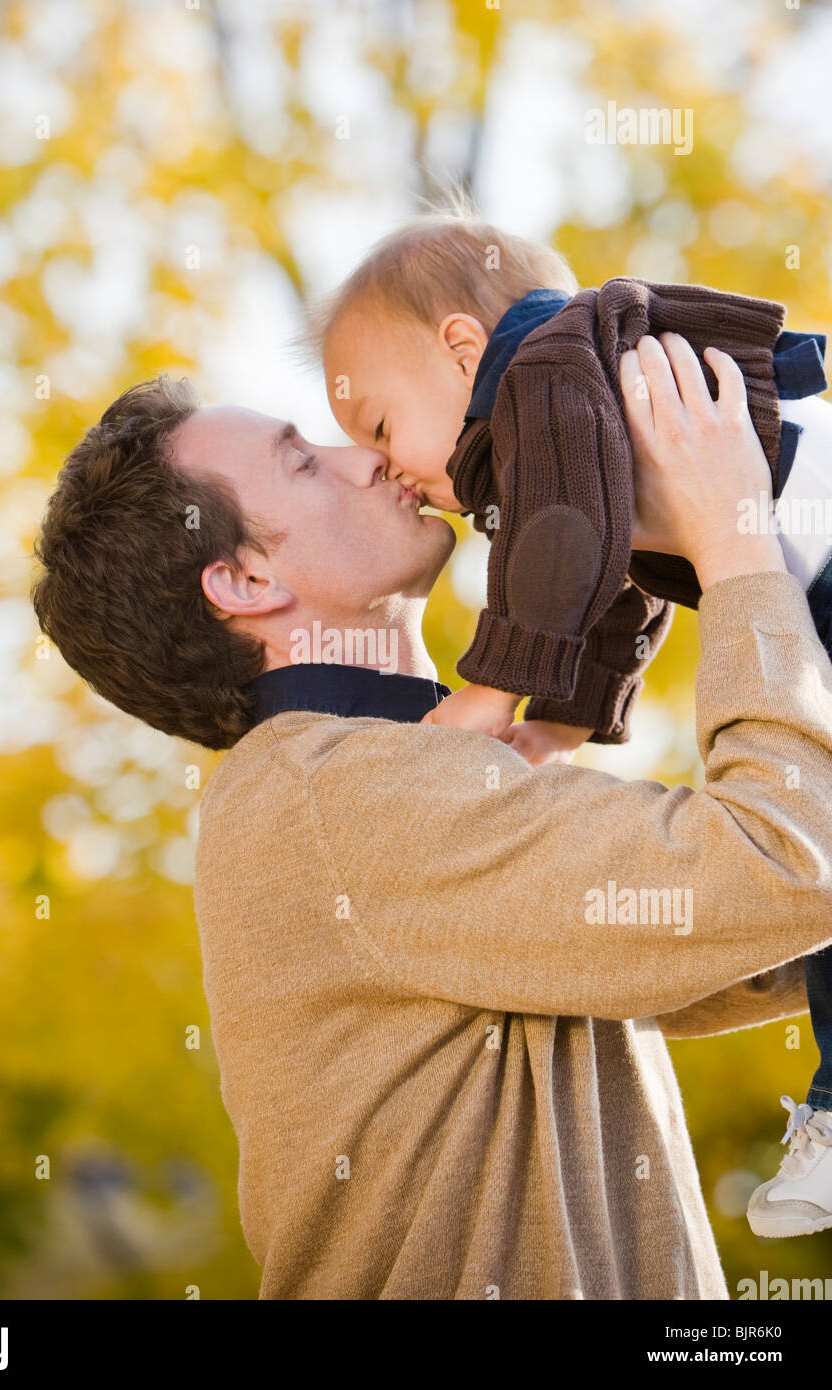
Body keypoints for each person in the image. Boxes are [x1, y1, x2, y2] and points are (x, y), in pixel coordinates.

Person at [31, 334, 832, 1296]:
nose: (364, 454)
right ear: (247, 583)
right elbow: (784, 863)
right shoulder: (332, 794)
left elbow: (744, 938)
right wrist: (735, 540)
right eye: (301, 458)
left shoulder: (388, 782)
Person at [315, 214, 832, 1236]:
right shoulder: (577, 399)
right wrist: (559, 727)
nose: (385, 466)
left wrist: (496, 692)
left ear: (465, 350)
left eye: (379, 427)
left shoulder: (544, 374)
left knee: (810, 834)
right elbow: (620, 589)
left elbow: (563, 539)